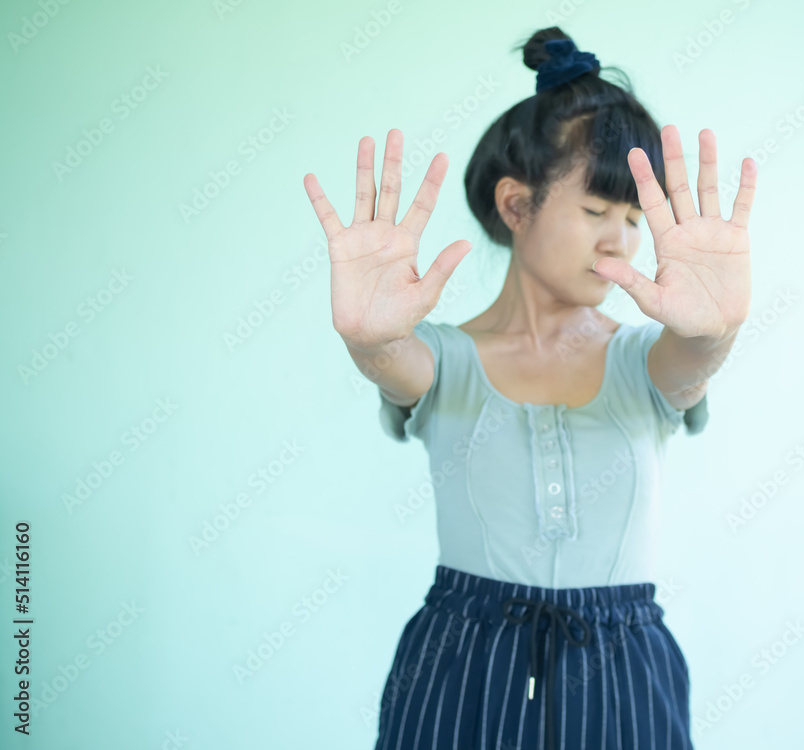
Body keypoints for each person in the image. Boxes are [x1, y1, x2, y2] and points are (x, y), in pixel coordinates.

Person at [304, 25, 755, 750]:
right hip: (462, 666)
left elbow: (692, 359)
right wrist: (368, 334)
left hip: (623, 670)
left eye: (635, 218)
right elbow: (394, 360)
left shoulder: (642, 361)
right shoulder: (446, 360)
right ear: (517, 207)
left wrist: (716, 327)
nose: (621, 240)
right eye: (596, 210)